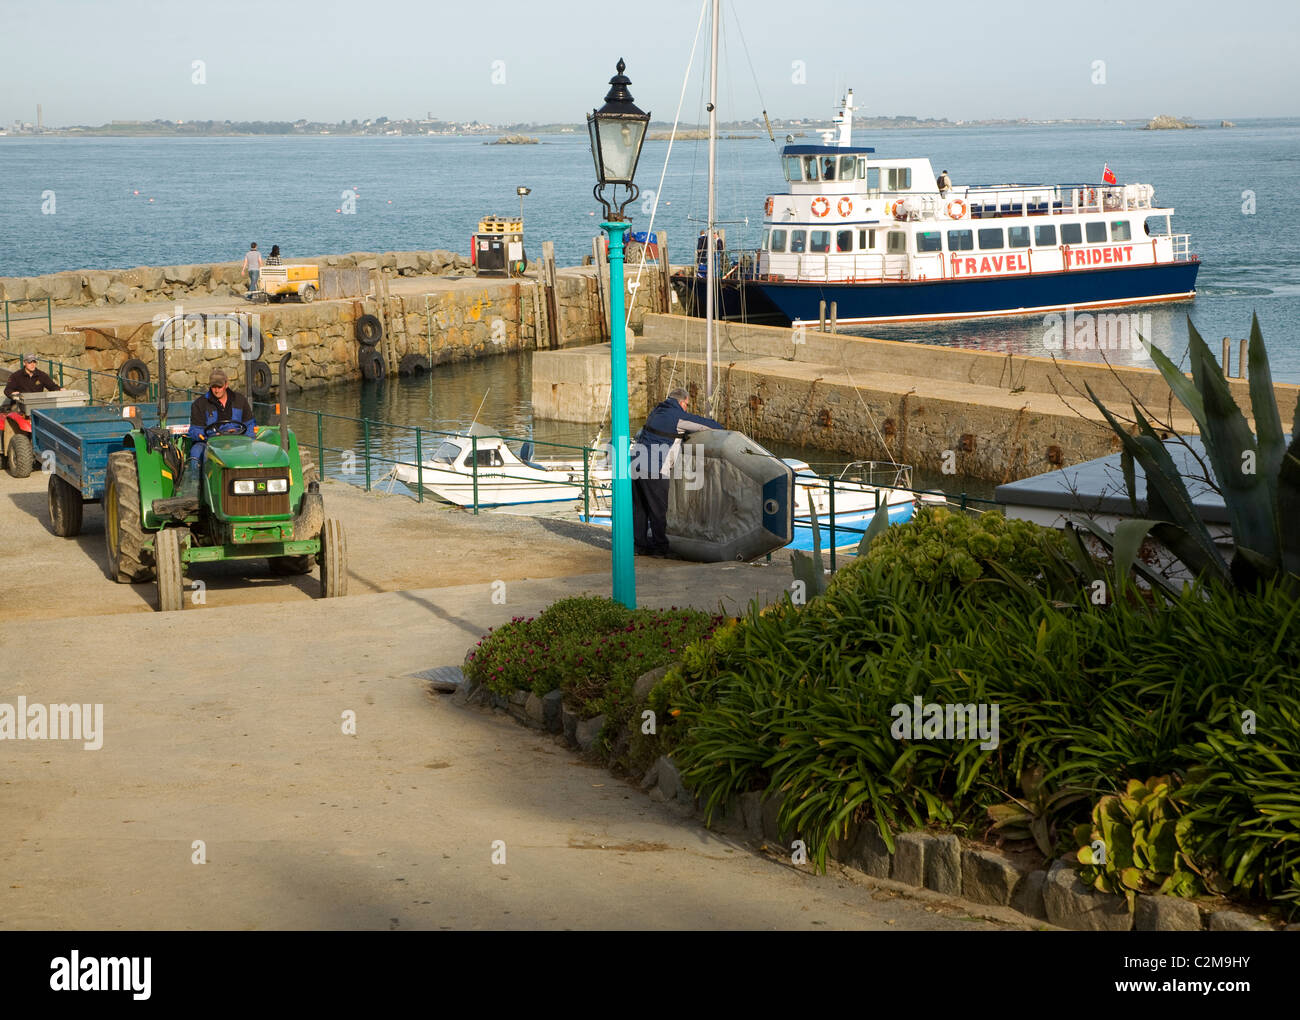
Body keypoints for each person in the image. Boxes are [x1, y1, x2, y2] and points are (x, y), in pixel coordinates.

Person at [631, 387, 723, 557]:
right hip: (654, 468)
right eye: (687, 404)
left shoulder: (657, 410)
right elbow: (706, 425)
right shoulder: (678, 416)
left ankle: (640, 546)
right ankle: (660, 549)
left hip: (636, 462)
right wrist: (723, 428)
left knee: (640, 508)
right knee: (658, 510)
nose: (687, 407)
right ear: (682, 402)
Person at [159, 368, 256, 513]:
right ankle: (193, 492)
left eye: (219, 386)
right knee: (196, 452)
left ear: (226, 385)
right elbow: (195, 429)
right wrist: (203, 435)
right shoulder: (200, 404)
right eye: (214, 387)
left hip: (238, 441)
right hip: (210, 441)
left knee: (254, 452)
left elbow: (249, 425)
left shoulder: (240, 400)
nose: (216, 390)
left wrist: (249, 440)